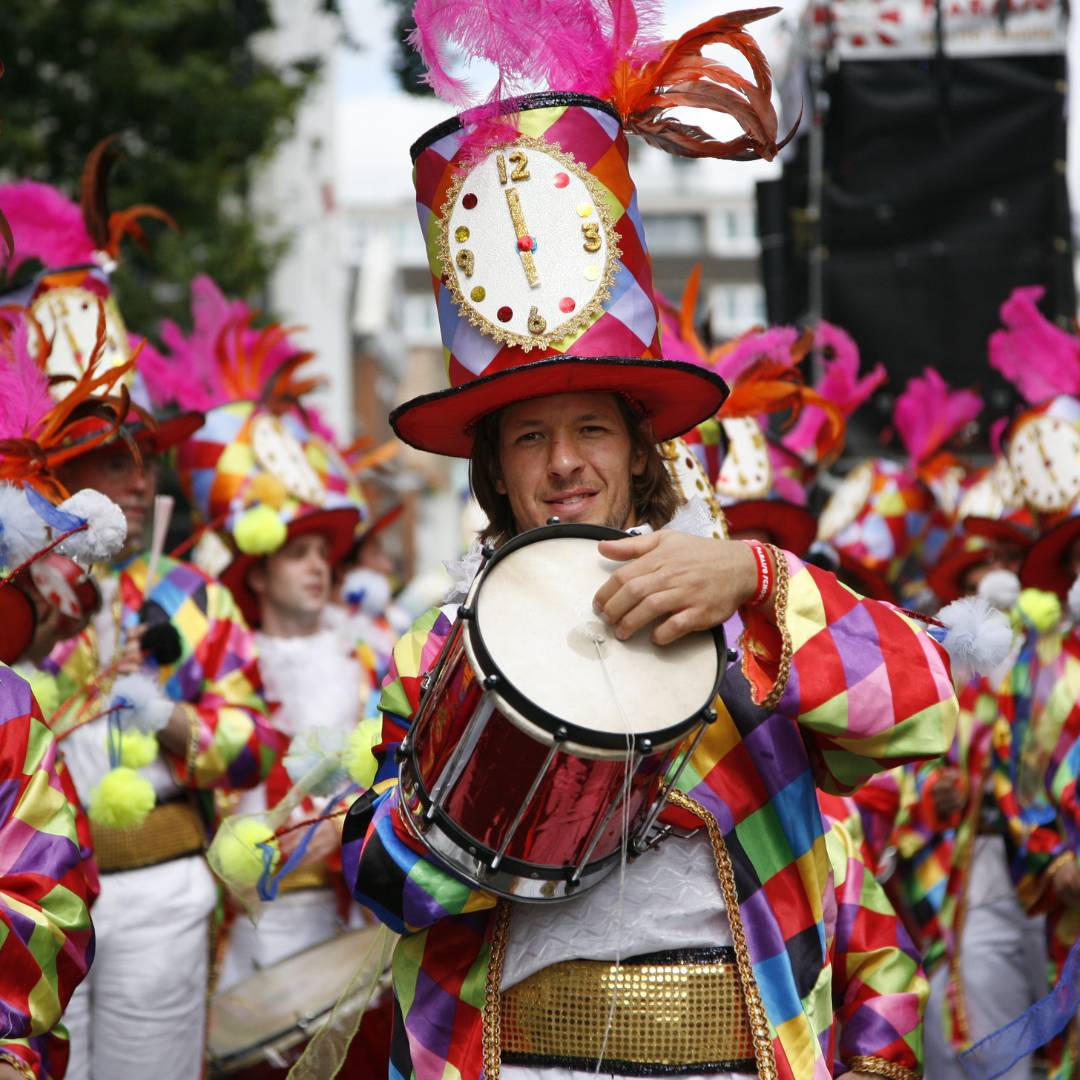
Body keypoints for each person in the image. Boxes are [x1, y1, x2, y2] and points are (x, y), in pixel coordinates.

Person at [340, 11, 960, 1076]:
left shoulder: (745, 616)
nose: (565, 462)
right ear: (496, 471)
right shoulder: (431, 654)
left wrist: (759, 580)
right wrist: (488, 773)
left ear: (638, 454)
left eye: (592, 430)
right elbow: (382, 888)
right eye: (530, 436)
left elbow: (927, 709)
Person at [0, 181, 281, 1080]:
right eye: (104, 461)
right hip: (20, 898)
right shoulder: (21, 600)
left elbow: (254, 748)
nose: (131, 479)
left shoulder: (195, 597)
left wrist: (169, 719)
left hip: (160, 891)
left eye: (143, 458)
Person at [141, 275, 378, 987]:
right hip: (249, 930)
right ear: (257, 572)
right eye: (298, 553)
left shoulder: (366, 656)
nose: (318, 567)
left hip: (353, 918)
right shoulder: (221, 664)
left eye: (323, 554)